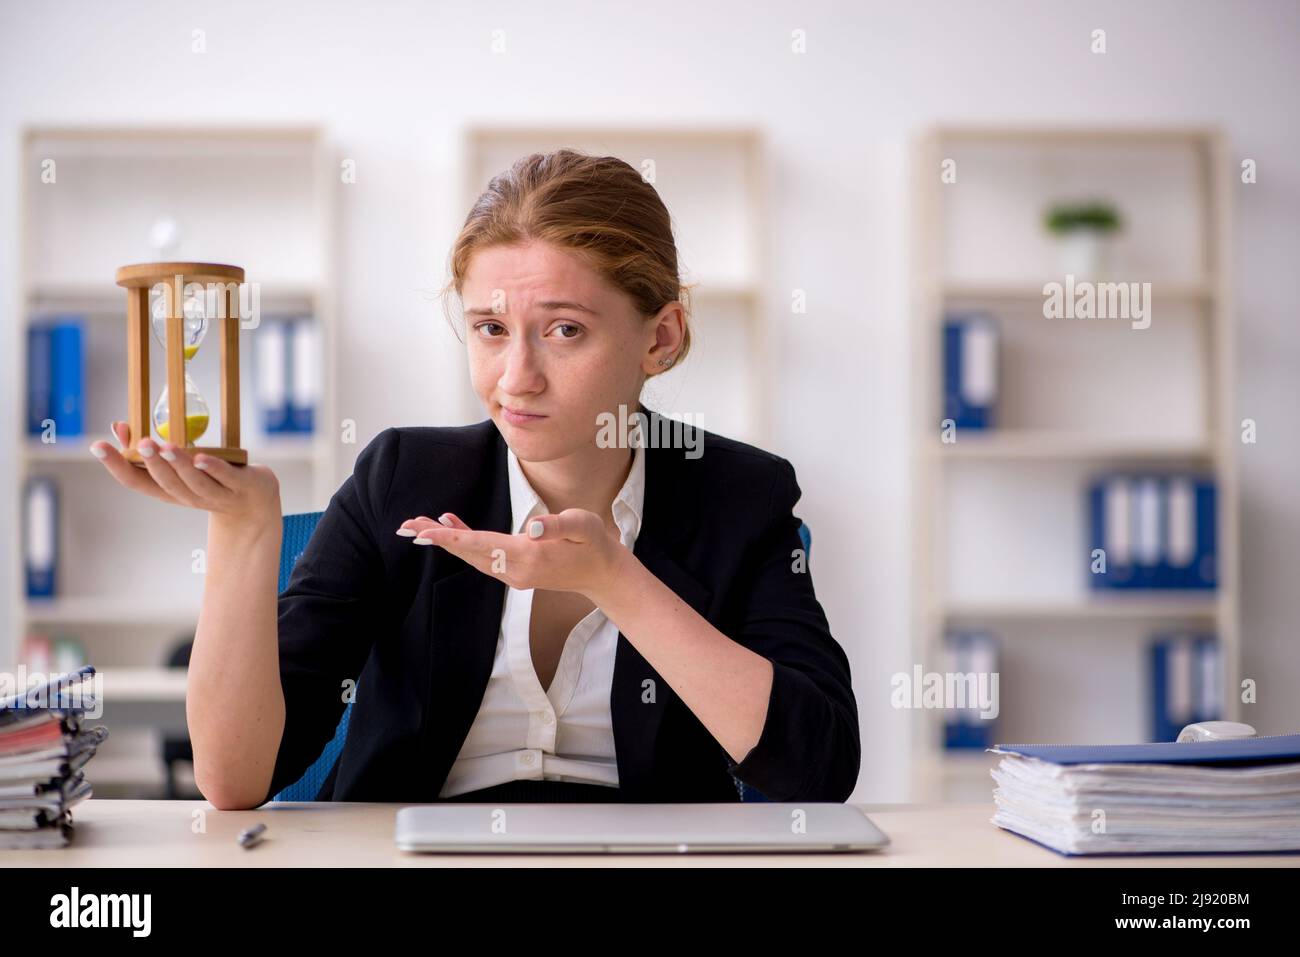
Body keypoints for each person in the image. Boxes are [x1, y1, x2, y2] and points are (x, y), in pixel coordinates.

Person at [91, 148, 860, 809]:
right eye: (490, 329)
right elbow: (236, 778)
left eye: (565, 330)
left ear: (660, 337)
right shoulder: (403, 476)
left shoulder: (738, 494)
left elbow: (817, 770)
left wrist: (616, 579)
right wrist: (243, 527)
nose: (516, 378)